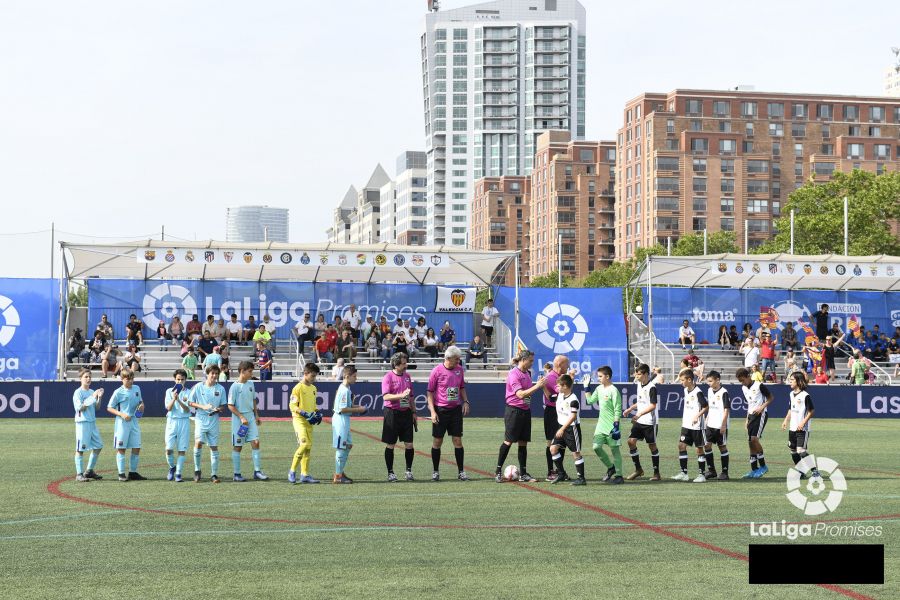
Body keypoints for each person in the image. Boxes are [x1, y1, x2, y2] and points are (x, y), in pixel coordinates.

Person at [495, 350, 545, 483]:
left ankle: (523, 473)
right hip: (514, 411)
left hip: (525, 411)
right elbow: (521, 394)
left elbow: (527, 394)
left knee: (523, 442)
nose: (532, 363)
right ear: (523, 360)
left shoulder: (527, 373)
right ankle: (498, 471)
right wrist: (538, 386)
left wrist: (536, 385)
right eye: (531, 361)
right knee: (508, 441)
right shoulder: (513, 374)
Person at [427, 346, 469, 481]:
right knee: (437, 441)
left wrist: (466, 401)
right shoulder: (436, 371)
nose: (458, 362)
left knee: (457, 440)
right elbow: (430, 392)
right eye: (456, 359)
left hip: (455, 410)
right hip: (441, 410)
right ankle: (435, 471)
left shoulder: (459, 370)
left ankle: (461, 472)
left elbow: (461, 387)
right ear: (448, 358)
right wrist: (433, 412)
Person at [228, 361, 268, 482]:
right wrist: (241, 417)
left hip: (250, 417)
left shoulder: (251, 384)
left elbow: (253, 400)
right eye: (250, 371)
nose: (252, 373)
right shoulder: (234, 387)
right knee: (238, 447)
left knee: (256, 442)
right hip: (239, 421)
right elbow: (230, 405)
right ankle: (237, 474)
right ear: (242, 371)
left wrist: (256, 415)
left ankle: (257, 471)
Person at [584, 365, 624, 484]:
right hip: (601, 425)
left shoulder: (614, 390)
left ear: (607, 376)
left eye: (600, 376)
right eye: (598, 376)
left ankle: (619, 476)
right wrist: (586, 387)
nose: (598, 378)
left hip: (612, 425)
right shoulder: (598, 389)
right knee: (596, 447)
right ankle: (610, 467)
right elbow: (590, 401)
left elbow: (617, 408)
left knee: (615, 451)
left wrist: (616, 425)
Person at [188, 364, 227, 483]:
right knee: (198, 443)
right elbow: (190, 402)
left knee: (214, 446)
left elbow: (223, 405)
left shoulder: (220, 388)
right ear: (207, 374)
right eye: (212, 373)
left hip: (214, 419)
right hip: (201, 418)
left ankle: (214, 474)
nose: (214, 376)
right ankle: (197, 470)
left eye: (216, 373)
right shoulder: (198, 387)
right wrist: (203, 406)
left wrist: (218, 409)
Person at [381, 353, 417, 482]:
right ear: (396, 365)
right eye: (403, 363)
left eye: (406, 362)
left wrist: (414, 412)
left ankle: (408, 471)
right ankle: (390, 472)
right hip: (392, 413)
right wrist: (401, 395)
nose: (405, 365)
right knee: (391, 444)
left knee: (409, 444)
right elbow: (385, 397)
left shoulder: (407, 376)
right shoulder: (388, 377)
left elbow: (411, 396)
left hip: (406, 413)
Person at [623, 364, 661, 481]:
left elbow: (653, 405)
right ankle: (638, 469)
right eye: (636, 373)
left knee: (652, 446)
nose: (636, 375)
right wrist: (630, 408)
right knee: (631, 442)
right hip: (640, 420)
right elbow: (640, 401)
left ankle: (656, 473)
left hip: (650, 421)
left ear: (645, 374)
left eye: (638, 374)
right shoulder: (639, 384)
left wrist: (639, 414)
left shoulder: (652, 387)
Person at [672, 368, 710, 483]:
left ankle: (701, 475)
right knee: (681, 446)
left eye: (682, 380)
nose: (681, 382)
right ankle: (684, 473)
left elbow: (705, 406)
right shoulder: (686, 390)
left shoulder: (698, 392)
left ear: (689, 380)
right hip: (686, 425)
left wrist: (697, 416)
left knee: (699, 449)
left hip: (697, 426)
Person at [107, 368, 145, 482]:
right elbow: (109, 407)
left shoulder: (137, 388)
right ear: (122, 379)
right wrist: (121, 414)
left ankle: (133, 472)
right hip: (122, 422)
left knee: (137, 447)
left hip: (134, 421)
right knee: (121, 448)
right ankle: (121, 474)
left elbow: (140, 402)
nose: (130, 381)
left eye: (132, 378)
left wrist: (142, 406)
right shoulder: (118, 392)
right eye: (127, 379)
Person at [548, 374, 587, 486]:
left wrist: (563, 429)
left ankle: (581, 478)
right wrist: (543, 386)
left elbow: (573, 416)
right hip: (562, 427)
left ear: (565, 386)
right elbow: (550, 398)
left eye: (559, 386)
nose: (557, 387)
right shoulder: (560, 395)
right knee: (553, 449)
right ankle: (561, 474)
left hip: (571, 428)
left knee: (576, 453)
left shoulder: (573, 400)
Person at [782, 372, 821, 479]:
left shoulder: (805, 396)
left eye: (792, 380)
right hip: (792, 428)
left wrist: (803, 422)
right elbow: (790, 409)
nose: (790, 382)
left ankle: (815, 471)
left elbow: (811, 411)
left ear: (798, 381)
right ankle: (801, 471)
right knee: (793, 451)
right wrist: (786, 420)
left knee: (801, 451)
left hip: (802, 429)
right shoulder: (791, 394)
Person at [289, 363, 323, 484]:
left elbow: (313, 406)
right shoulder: (297, 388)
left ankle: (304, 474)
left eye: (315, 376)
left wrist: (318, 413)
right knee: (304, 444)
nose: (314, 378)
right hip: (299, 421)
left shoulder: (313, 388)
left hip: (309, 422)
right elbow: (292, 405)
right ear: (305, 373)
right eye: (312, 376)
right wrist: (303, 413)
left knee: (308, 448)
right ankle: (292, 471)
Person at [332, 365, 367, 484]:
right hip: (340, 420)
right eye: (354, 376)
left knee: (348, 445)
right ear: (347, 376)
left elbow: (348, 406)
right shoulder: (344, 390)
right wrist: (358, 410)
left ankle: (340, 472)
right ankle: (338, 475)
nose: (356, 378)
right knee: (342, 447)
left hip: (344, 420)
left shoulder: (346, 388)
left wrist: (358, 407)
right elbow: (342, 409)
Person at [737, 366, 773, 479]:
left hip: (761, 415)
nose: (742, 383)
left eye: (743, 380)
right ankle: (754, 469)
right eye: (740, 381)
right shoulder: (744, 388)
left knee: (754, 439)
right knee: (750, 442)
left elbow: (771, 397)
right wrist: (747, 418)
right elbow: (750, 404)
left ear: (748, 376)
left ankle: (763, 466)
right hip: (751, 416)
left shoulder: (759, 385)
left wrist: (762, 407)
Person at [72, 368, 104, 482]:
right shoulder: (78, 392)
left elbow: (97, 407)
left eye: (90, 377)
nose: (88, 379)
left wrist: (99, 397)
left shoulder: (91, 392)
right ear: (80, 378)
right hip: (82, 423)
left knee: (99, 446)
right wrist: (93, 396)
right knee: (80, 449)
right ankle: (79, 474)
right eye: (86, 377)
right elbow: (80, 407)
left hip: (92, 422)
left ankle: (89, 471)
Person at [541, 355, 569, 482]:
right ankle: (551, 471)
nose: (568, 366)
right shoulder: (551, 378)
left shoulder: (560, 377)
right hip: (552, 412)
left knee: (561, 443)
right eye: (566, 364)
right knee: (552, 442)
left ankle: (560, 471)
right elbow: (555, 397)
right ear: (560, 364)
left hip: (560, 412)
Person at [164, 369, 192, 482]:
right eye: (178, 379)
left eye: (182, 379)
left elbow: (187, 409)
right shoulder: (169, 391)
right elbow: (168, 408)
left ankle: (179, 474)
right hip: (172, 421)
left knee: (182, 449)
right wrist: (174, 399)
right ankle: (172, 467)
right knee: (169, 449)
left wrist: (179, 400)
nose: (180, 381)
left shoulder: (189, 392)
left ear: (185, 380)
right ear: (174, 379)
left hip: (184, 421)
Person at [704, 370, 729, 480]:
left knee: (722, 446)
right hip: (710, 424)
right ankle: (711, 471)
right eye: (708, 381)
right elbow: (710, 406)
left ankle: (725, 472)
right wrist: (707, 419)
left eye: (710, 381)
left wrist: (723, 425)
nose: (709, 383)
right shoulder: (709, 390)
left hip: (720, 425)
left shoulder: (724, 392)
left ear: (717, 380)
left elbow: (726, 410)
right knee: (707, 445)